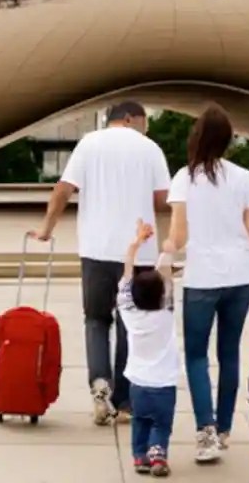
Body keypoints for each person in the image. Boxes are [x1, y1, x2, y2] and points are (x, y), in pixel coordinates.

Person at [31, 100, 171, 426]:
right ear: (131, 118)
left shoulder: (88, 144)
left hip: (95, 249)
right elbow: (162, 201)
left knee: (95, 320)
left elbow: (63, 190)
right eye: (144, 121)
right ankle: (124, 402)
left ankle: (99, 382)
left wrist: (46, 229)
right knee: (129, 324)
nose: (146, 127)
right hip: (139, 253)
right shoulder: (149, 148)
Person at [163, 104, 249, 463]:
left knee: (197, 356)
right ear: (228, 139)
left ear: (197, 137)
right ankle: (225, 428)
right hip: (240, 277)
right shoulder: (244, 178)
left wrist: (165, 256)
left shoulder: (184, 178)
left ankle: (206, 433)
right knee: (229, 353)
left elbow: (179, 235)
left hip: (202, 278)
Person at [118, 219, 177, 477]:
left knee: (140, 421)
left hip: (138, 382)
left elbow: (127, 272)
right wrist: (167, 249)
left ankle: (139, 456)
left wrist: (136, 242)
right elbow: (166, 274)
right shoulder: (166, 312)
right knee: (161, 424)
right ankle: (157, 454)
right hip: (164, 383)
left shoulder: (129, 312)